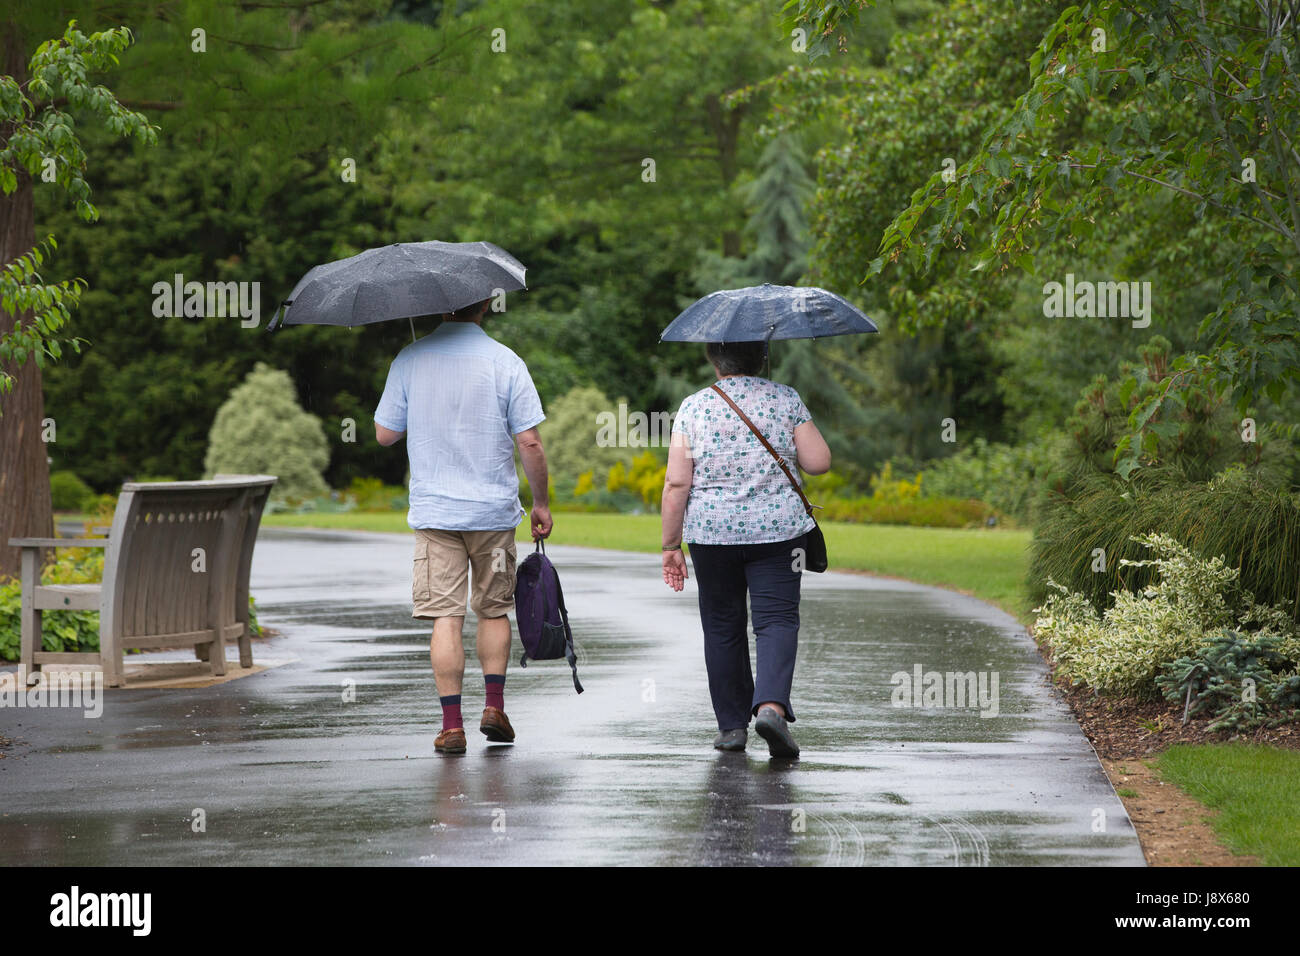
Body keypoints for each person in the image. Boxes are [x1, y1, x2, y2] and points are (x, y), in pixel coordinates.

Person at [374, 298, 552, 755]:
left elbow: (384, 434)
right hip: (492, 514)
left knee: (446, 617)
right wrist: (542, 503)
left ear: (438, 306)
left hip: (436, 515)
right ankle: (494, 708)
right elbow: (529, 440)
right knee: (493, 610)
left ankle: (451, 726)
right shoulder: (505, 361)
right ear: (484, 308)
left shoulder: (410, 358)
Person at [660, 341, 831, 758]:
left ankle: (732, 727)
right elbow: (819, 461)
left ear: (713, 360)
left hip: (712, 535)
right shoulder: (785, 398)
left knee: (722, 626)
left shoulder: (694, 407)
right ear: (761, 358)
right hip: (778, 533)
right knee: (776, 621)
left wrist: (670, 545)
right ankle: (771, 707)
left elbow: (677, 482)